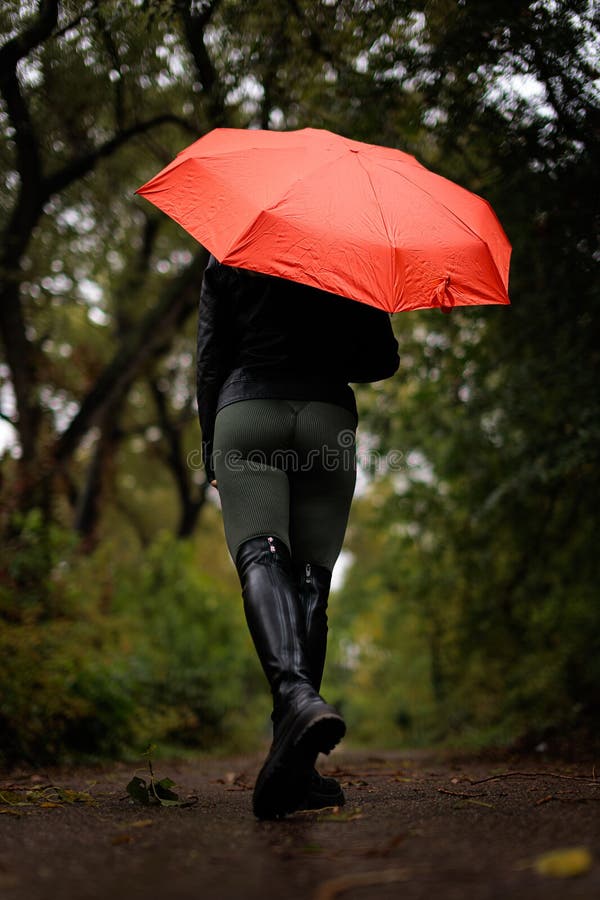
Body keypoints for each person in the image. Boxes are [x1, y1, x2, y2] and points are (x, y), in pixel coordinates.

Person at [196, 254, 399, 819]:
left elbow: (211, 356)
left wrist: (209, 443)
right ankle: (300, 764)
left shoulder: (231, 249)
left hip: (246, 411)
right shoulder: (352, 251)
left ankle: (295, 700)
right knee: (312, 579)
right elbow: (382, 360)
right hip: (326, 419)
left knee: (261, 556)